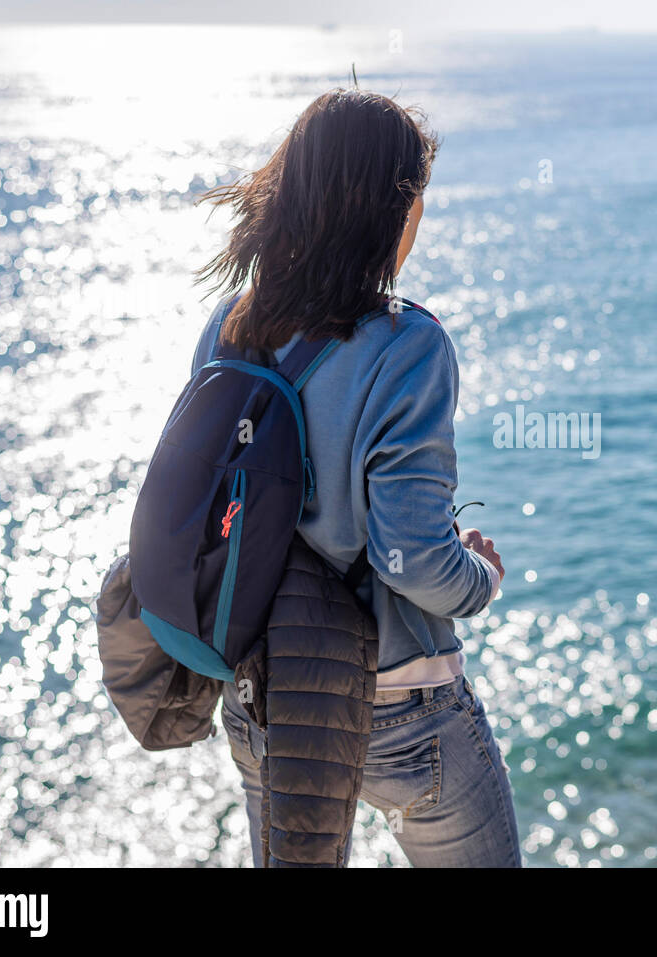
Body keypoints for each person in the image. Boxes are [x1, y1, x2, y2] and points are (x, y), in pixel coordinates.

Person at [193, 88, 520, 867]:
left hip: (264, 690)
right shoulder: (409, 345)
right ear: (394, 211)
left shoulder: (230, 325)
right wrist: (479, 578)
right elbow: (410, 558)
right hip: (401, 707)